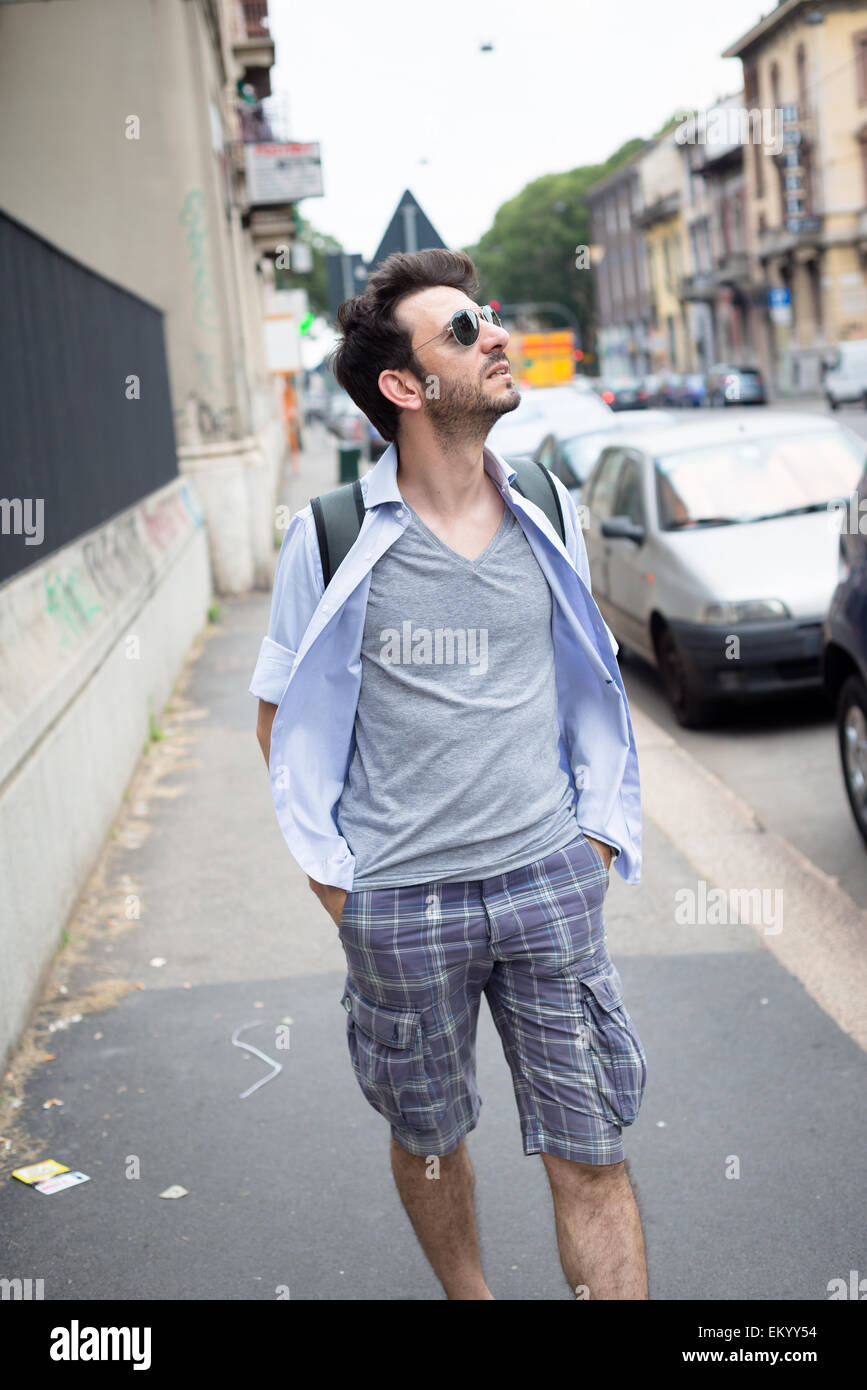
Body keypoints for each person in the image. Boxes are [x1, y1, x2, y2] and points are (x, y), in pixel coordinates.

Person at [249, 248, 647, 1300]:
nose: (498, 336)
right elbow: (280, 723)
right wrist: (345, 892)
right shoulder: (328, 538)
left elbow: (586, 680)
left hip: (548, 880)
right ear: (403, 386)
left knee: (593, 1150)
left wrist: (593, 840)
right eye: (465, 331)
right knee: (432, 1141)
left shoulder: (548, 505)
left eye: (491, 318)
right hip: (400, 903)